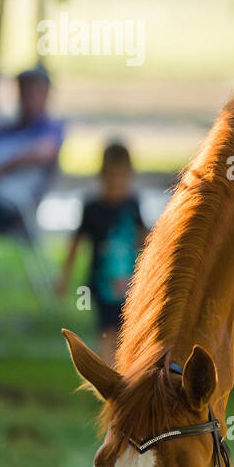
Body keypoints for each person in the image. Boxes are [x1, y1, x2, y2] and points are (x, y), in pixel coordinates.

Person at [57, 142, 149, 364]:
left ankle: (125, 374)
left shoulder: (132, 205)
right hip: (101, 284)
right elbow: (75, 243)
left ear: (129, 177)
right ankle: (107, 375)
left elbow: (144, 239)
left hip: (130, 283)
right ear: (101, 177)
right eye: (111, 178)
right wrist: (65, 277)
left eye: (121, 178)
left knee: (127, 330)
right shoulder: (92, 208)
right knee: (107, 331)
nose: (116, 185)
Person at [0, 66, 66, 233]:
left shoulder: (50, 129)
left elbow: (43, 152)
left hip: (7, 204)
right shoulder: (4, 128)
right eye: (25, 92)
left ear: (46, 94)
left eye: (35, 92)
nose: (29, 99)